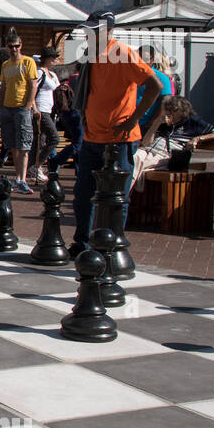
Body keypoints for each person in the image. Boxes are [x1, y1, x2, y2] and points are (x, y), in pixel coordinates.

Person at [69, 13, 162, 256]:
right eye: (87, 31)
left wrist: (132, 120)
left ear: (109, 31)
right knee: (83, 195)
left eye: (94, 31)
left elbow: (155, 86)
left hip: (119, 140)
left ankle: (113, 248)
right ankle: (83, 244)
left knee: (116, 198)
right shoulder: (91, 55)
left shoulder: (123, 53)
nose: (88, 36)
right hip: (92, 137)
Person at [130, 95, 214, 191]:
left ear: (182, 111)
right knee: (133, 158)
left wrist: (198, 138)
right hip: (148, 151)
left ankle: (125, 196)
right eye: (167, 110)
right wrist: (156, 123)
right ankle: (124, 196)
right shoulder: (162, 122)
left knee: (136, 163)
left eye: (172, 110)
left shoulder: (193, 121)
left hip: (167, 156)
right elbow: (146, 143)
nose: (168, 113)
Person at [0, 34, 39, 194]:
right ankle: (18, 178)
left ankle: (22, 179)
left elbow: (32, 85)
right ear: (7, 47)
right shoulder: (6, 65)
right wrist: (1, 107)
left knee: (24, 146)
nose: (14, 49)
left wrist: (29, 105)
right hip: (7, 108)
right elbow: (3, 88)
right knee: (13, 146)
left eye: (16, 46)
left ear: (21, 46)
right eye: (11, 46)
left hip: (22, 108)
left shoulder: (28, 62)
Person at [29, 46, 62, 184]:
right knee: (54, 138)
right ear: (47, 59)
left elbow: (58, 88)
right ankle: (36, 166)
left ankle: (34, 167)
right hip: (41, 110)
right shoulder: (39, 73)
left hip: (49, 110)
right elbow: (32, 91)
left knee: (39, 142)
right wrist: (34, 109)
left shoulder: (52, 74)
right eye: (53, 57)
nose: (55, 59)